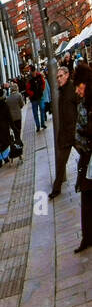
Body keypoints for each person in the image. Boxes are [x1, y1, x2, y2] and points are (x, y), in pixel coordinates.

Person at [72, 65, 92, 253]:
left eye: (79, 86)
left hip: (89, 155)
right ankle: (87, 236)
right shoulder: (83, 103)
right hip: (86, 157)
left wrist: (85, 133)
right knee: (86, 197)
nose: (77, 90)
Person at [54, 65, 79, 197]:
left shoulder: (73, 89)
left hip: (75, 133)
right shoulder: (61, 92)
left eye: (61, 76)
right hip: (65, 134)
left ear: (67, 75)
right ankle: (56, 189)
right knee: (60, 162)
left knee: (86, 155)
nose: (58, 79)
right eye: (57, 77)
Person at [6, 83, 25, 160]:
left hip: (11, 118)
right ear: (16, 88)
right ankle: (19, 141)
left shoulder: (8, 98)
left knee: (14, 130)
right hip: (18, 116)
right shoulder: (19, 95)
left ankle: (17, 141)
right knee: (19, 129)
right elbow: (22, 104)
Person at [26, 65, 48, 131]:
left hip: (40, 96)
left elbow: (43, 83)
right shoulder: (29, 79)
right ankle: (38, 126)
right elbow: (27, 89)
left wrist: (42, 89)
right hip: (33, 99)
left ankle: (42, 123)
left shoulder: (39, 76)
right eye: (32, 72)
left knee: (42, 109)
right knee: (35, 113)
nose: (33, 74)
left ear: (35, 70)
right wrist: (32, 94)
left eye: (34, 72)